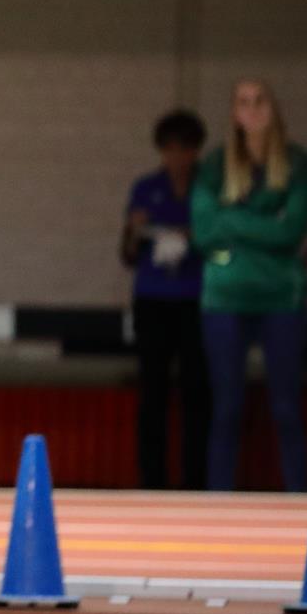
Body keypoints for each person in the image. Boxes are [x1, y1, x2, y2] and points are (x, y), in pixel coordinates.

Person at [191, 80, 307, 492]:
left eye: (261, 101)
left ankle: (300, 501)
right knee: (226, 408)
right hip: (225, 298)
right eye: (244, 102)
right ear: (234, 113)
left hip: (282, 297)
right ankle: (218, 503)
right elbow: (204, 231)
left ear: (274, 108)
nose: (253, 109)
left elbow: (292, 230)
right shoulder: (214, 165)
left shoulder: (299, 163)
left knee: (286, 408)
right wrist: (266, 227)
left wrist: (231, 221)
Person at [121, 110, 210, 489]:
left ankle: (196, 481)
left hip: (197, 301)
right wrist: (135, 229)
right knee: (153, 392)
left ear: (196, 151)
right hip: (153, 300)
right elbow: (127, 253)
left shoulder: (208, 188)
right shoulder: (146, 188)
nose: (178, 157)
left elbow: (219, 242)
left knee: (197, 392)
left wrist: (192, 235)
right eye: (170, 149)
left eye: (185, 149)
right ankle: (151, 480)